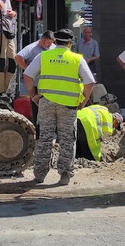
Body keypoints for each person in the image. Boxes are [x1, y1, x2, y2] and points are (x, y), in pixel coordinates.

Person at [23, 28, 95, 185]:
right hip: (68, 106)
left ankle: (40, 175)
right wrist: (83, 100)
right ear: (70, 44)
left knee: (44, 138)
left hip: (46, 103)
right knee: (68, 139)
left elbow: (27, 75)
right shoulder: (77, 59)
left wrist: (33, 95)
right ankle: (64, 174)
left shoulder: (44, 56)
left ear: (55, 41)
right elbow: (89, 82)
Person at [6, 30, 55, 97]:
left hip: (49, 83)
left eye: (52, 43)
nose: (50, 45)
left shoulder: (53, 47)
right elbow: (18, 57)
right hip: (36, 84)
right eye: (49, 42)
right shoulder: (32, 48)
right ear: (42, 40)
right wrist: (28, 69)